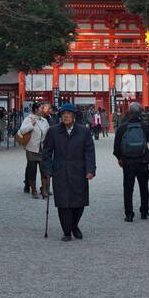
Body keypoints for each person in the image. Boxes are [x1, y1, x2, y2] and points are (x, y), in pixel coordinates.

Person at [40, 103, 96, 241]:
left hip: (79, 170)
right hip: (60, 170)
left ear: (74, 116)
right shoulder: (53, 131)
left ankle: (74, 225)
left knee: (79, 202)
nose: (65, 116)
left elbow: (89, 152)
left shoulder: (84, 131)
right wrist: (47, 170)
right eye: (63, 114)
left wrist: (90, 170)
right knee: (63, 203)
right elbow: (46, 153)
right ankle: (66, 231)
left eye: (68, 114)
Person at [113, 101, 149, 222]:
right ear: (140, 112)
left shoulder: (122, 127)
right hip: (142, 161)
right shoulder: (145, 127)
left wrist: (119, 158)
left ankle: (129, 214)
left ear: (129, 112)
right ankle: (144, 211)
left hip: (128, 162)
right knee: (144, 187)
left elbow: (117, 146)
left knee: (128, 188)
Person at [16, 102, 52, 197]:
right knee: (32, 170)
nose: (43, 109)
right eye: (41, 108)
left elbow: (49, 134)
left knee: (44, 170)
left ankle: (44, 190)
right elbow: (22, 130)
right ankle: (34, 190)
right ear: (36, 109)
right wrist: (31, 124)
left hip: (43, 149)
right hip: (31, 148)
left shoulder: (44, 121)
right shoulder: (28, 119)